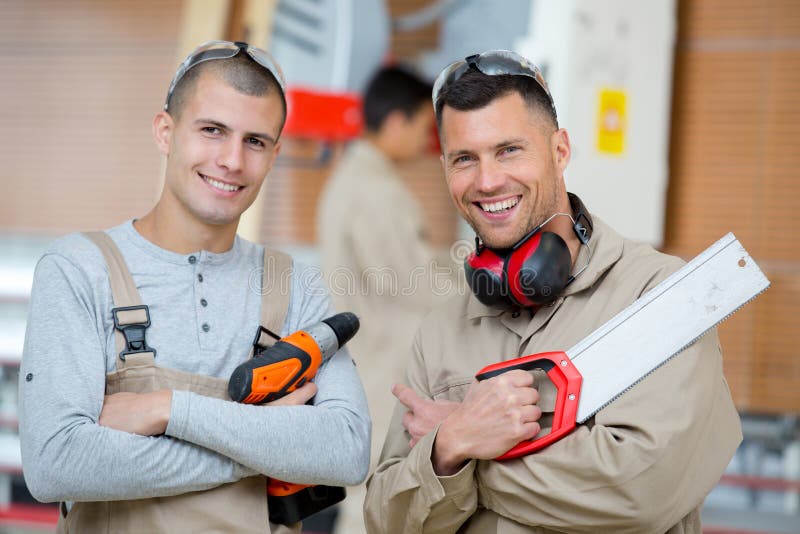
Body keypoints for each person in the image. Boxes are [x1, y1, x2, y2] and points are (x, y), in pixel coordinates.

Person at [364, 50, 742, 533]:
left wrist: (464, 451)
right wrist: (450, 445)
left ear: (560, 151)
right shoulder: (441, 331)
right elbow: (386, 519)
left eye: (509, 150)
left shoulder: (659, 295)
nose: (487, 180)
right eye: (464, 159)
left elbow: (639, 493)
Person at [19, 41, 370, 533]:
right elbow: (54, 461)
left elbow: (346, 450)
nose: (231, 160)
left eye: (255, 141)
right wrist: (267, 449)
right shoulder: (79, 269)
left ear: (274, 154)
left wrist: (164, 410)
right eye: (212, 130)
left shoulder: (295, 287)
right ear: (165, 131)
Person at [317, 66, 455, 534]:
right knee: (377, 495)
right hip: (381, 368)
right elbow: (414, 284)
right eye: (421, 127)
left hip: (368, 360)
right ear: (396, 122)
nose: (424, 141)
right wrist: (489, 287)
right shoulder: (376, 193)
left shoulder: (354, 179)